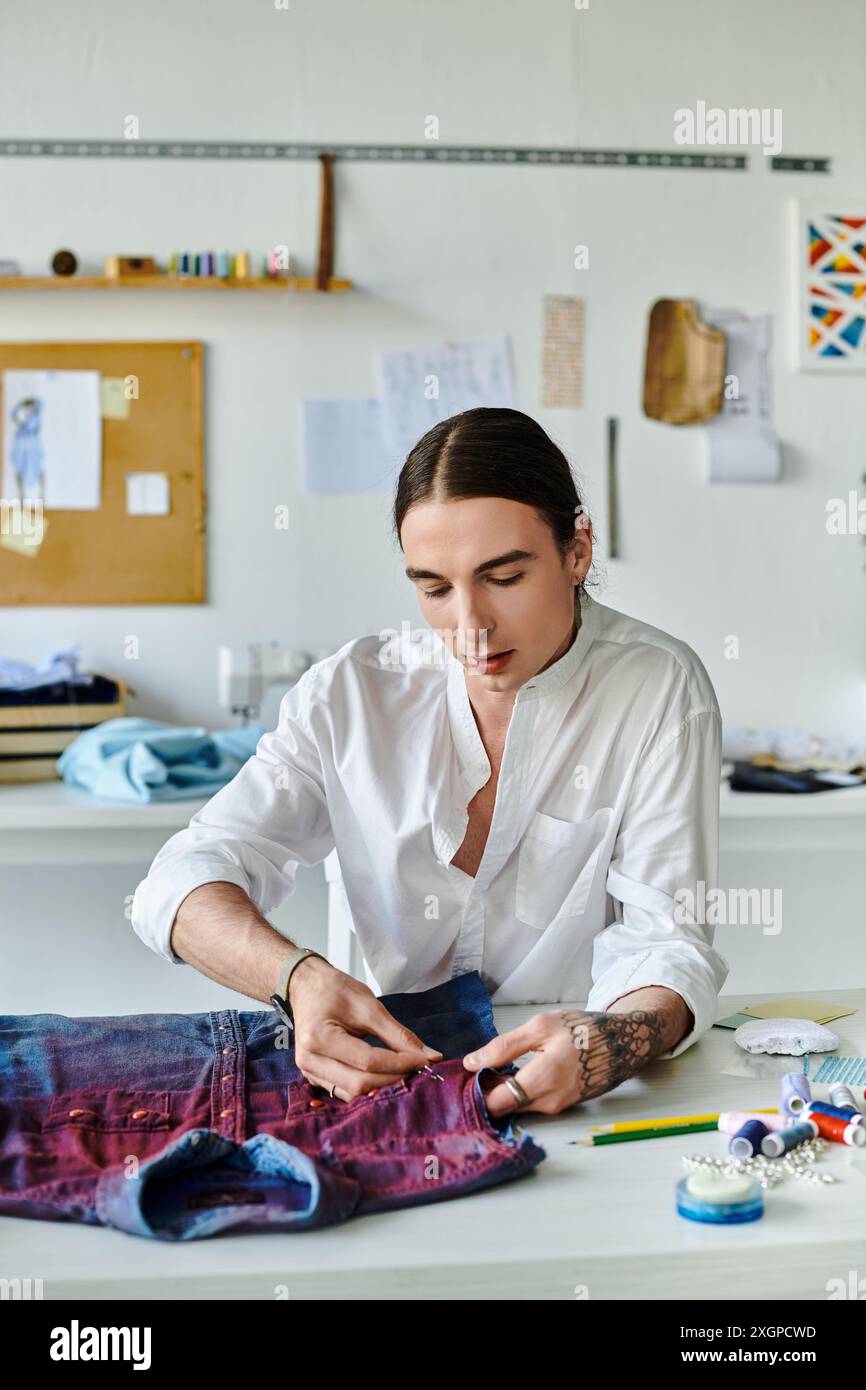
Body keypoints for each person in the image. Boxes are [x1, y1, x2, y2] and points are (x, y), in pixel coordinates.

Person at [131, 407, 728, 1118]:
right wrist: (299, 979)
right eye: (436, 588)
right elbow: (182, 878)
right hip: (379, 1090)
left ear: (578, 550)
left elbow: (668, 941)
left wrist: (605, 1045)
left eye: (503, 577)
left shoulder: (658, 687)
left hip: (573, 1092)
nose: (469, 625)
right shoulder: (352, 694)